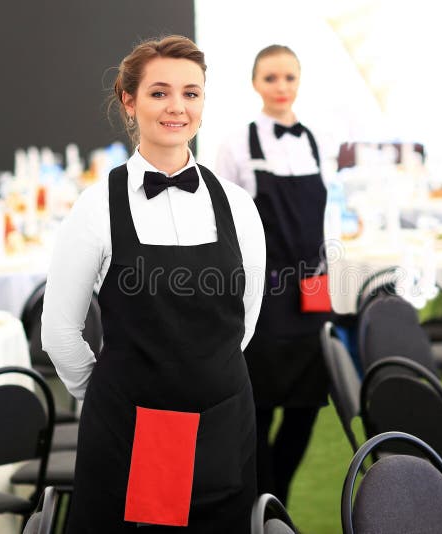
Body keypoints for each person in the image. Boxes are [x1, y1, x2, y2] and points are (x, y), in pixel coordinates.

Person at [42, 35, 266, 533]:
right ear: (129, 100)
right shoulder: (95, 207)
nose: (177, 107)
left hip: (223, 423)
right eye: (159, 92)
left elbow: (244, 321)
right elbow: (59, 332)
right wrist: (111, 398)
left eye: (191, 93)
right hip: (132, 431)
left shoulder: (238, 206)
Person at [216, 44, 331, 506]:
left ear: (299, 81)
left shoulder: (315, 139)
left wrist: (327, 293)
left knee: (308, 406)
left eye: (289, 78)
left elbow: (325, 223)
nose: (281, 87)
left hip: (313, 286)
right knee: (260, 408)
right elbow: (222, 221)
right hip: (261, 292)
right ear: (255, 83)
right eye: (271, 78)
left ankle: (276, 495)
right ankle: (263, 508)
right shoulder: (237, 143)